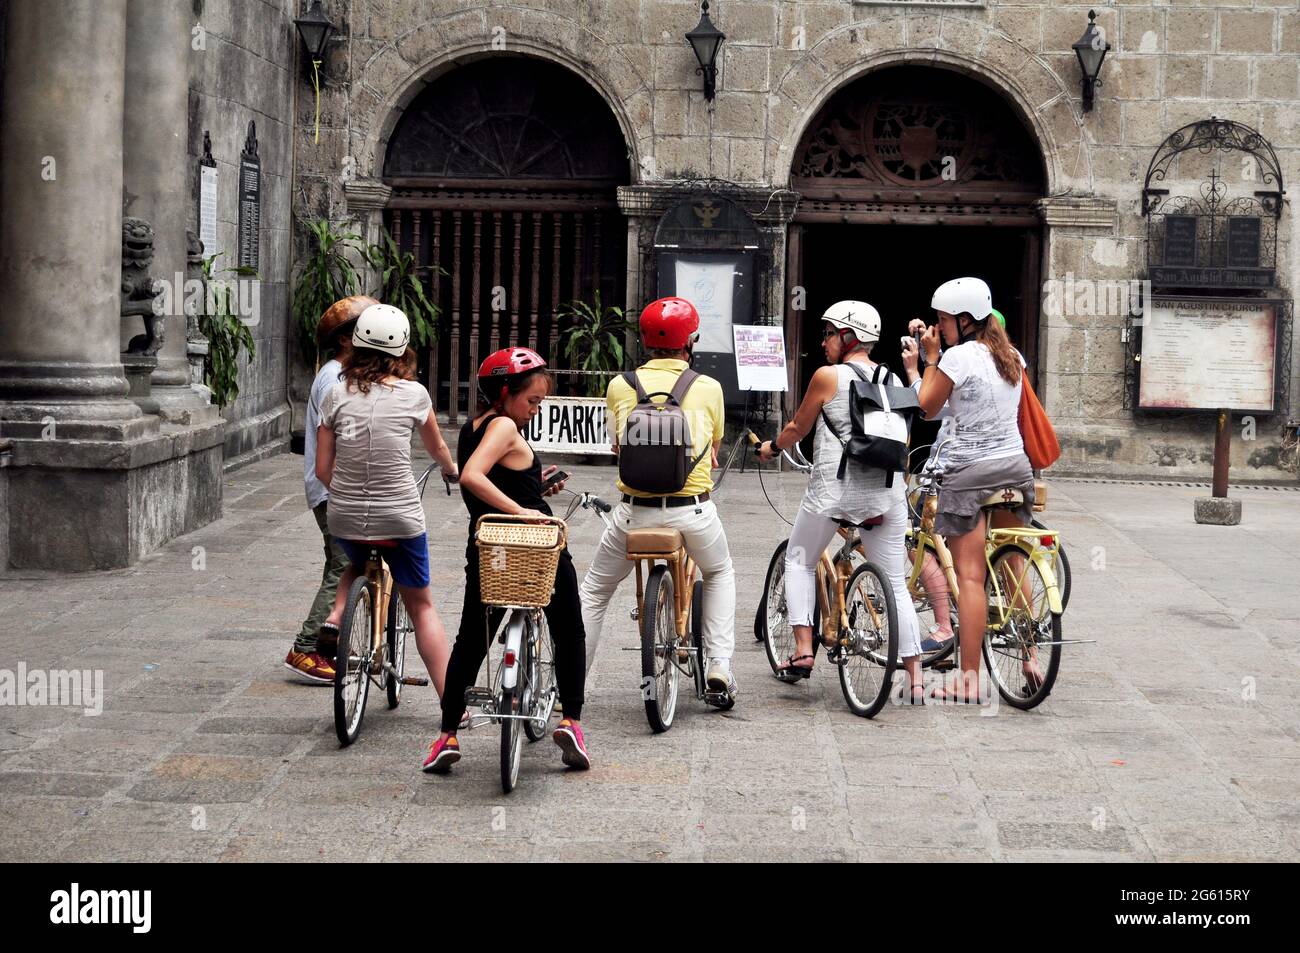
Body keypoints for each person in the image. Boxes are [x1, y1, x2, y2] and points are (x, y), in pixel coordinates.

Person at [424, 347, 590, 773]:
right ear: (503, 392)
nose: (534, 410)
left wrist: (535, 484)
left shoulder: (474, 426)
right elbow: (472, 475)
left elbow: (498, 477)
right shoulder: (502, 425)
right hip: (533, 549)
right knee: (569, 630)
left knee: (471, 640)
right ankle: (571, 719)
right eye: (531, 401)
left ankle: (446, 734)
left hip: (489, 549)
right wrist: (524, 511)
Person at [757, 300, 925, 702]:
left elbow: (798, 427)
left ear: (849, 337)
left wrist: (770, 447)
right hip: (887, 492)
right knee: (896, 584)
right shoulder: (895, 381)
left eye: (830, 333)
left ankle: (802, 649)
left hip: (834, 492)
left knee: (800, 559)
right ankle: (916, 677)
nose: (824, 341)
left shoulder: (827, 376)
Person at [314, 304, 461, 751]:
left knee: (352, 564)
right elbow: (436, 448)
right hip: (399, 516)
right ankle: (451, 705)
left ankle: (338, 615)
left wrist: (348, 490)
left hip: (345, 512)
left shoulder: (334, 394)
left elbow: (323, 469)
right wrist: (452, 469)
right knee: (422, 608)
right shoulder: (415, 395)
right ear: (402, 348)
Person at [579, 297, 738, 703]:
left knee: (595, 590)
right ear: (691, 342)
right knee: (718, 573)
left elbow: (619, 445)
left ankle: (570, 681)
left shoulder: (621, 385)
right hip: (693, 512)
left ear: (645, 341)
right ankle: (718, 664)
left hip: (634, 512)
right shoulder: (708, 387)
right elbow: (714, 444)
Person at [914, 278, 1036, 703]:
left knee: (970, 576)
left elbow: (927, 407)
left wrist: (931, 359)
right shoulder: (1012, 356)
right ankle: (1031, 655)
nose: (939, 327)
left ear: (965, 320)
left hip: (971, 472)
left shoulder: (958, 357)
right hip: (1016, 470)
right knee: (1013, 565)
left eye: (944, 320)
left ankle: (968, 679)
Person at [285, 295, 377, 683]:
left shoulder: (344, 376)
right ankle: (304, 648)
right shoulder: (334, 379)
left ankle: (331, 641)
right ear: (344, 340)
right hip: (334, 488)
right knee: (343, 563)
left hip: (338, 486)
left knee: (339, 563)